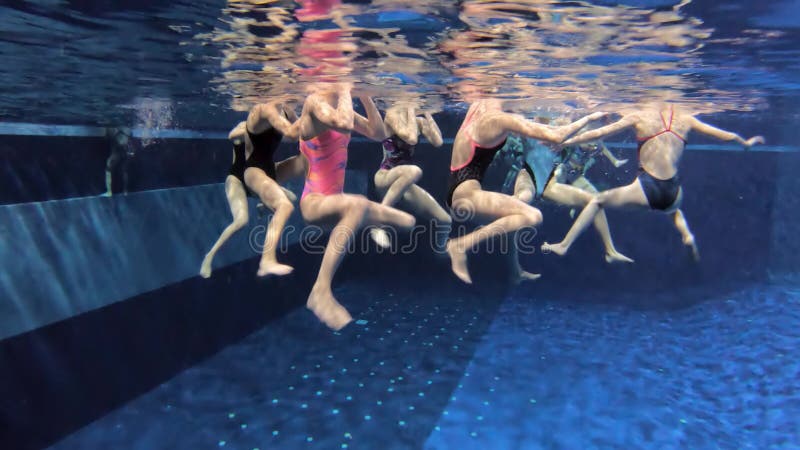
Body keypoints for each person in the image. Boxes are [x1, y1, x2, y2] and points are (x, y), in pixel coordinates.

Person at [541, 103, 764, 261]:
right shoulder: (686, 119)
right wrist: (745, 143)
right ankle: (687, 235)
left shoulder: (639, 117)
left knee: (597, 201)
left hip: (647, 186)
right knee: (673, 210)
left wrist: (567, 141)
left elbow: (600, 133)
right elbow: (723, 135)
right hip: (674, 190)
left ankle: (564, 245)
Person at [444, 99, 607, 284]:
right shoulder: (497, 119)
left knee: (514, 219)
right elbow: (557, 135)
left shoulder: (475, 115)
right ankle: (460, 244)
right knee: (533, 216)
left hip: (460, 192)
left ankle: (515, 271)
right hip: (467, 196)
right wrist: (590, 117)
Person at [295, 85, 416, 330]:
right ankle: (320, 290)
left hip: (337, 204)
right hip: (314, 203)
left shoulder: (339, 107)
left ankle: (364, 221)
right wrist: (345, 88)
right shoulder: (314, 102)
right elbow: (344, 123)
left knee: (407, 222)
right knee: (358, 204)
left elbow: (379, 132)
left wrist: (365, 95)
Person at [200, 102, 304, 279]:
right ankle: (209, 255)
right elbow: (231, 136)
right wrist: (246, 131)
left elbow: (295, 132)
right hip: (238, 178)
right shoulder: (248, 123)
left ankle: (263, 205)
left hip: (261, 173)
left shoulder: (282, 117)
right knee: (241, 221)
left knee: (291, 197)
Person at [505, 125, 633, 264]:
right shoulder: (528, 125)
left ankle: (607, 251)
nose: (593, 145)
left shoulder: (567, 129)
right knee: (520, 201)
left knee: (595, 201)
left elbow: (596, 138)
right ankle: (493, 234)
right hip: (531, 176)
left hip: (550, 183)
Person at [370, 104, 451, 251]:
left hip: (406, 181)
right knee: (414, 171)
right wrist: (411, 107)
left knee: (445, 221)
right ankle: (378, 221)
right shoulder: (391, 114)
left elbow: (438, 142)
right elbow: (411, 138)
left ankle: (442, 253)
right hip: (385, 176)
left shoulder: (417, 122)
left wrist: (427, 113)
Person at [103, 127, 134, 196]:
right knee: (124, 171)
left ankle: (109, 192)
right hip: (127, 150)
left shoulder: (111, 126)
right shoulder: (128, 128)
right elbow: (131, 138)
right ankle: (125, 191)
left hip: (117, 149)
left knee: (108, 168)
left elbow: (107, 138)